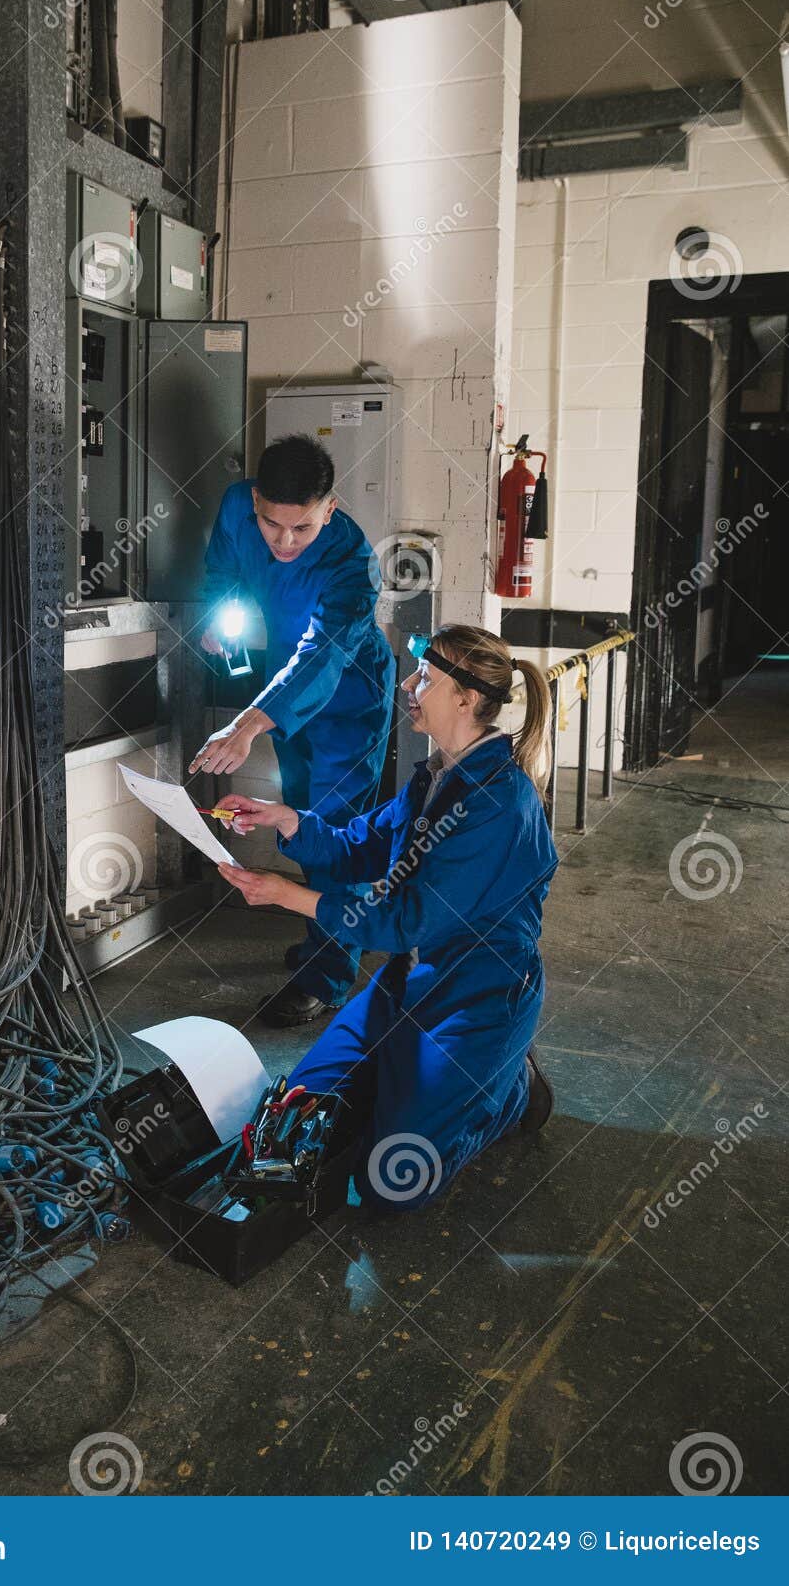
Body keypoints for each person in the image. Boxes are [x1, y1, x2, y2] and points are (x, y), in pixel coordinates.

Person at [213, 624, 559, 1209]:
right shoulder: (434, 778)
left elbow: (404, 920)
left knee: (391, 1182)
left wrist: (287, 895)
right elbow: (358, 846)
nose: (408, 684)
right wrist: (285, 819)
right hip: (409, 981)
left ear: (466, 699)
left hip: (480, 996)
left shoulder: (501, 801)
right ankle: (411, 1084)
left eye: (425, 676)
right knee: (299, 1114)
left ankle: (512, 1091)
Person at [189, 435, 396, 1028]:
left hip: (346, 697)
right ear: (254, 500)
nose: (284, 542)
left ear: (328, 510)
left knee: (334, 829)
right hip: (281, 686)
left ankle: (328, 979)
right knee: (299, 817)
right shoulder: (235, 508)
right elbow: (222, 571)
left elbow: (321, 656)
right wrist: (216, 619)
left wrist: (247, 724)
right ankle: (326, 935)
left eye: (301, 530)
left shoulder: (354, 564)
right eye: (271, 525)